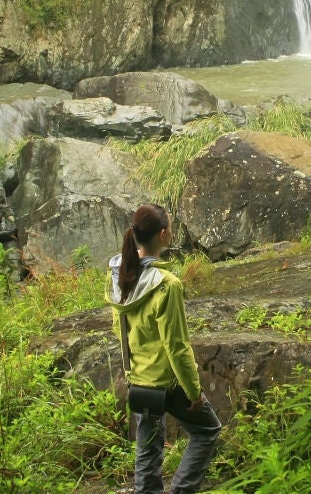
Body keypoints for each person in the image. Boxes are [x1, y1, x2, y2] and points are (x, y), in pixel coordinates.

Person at [107, 204, 221, 494]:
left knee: (147, 451)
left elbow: (119, 331)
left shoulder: (121, 274)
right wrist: (193, 392)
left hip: (140, 381)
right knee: (207, 430)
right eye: (170, 226)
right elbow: (177, 346)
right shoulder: (166, 284)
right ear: (163, 235)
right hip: (168, 384)